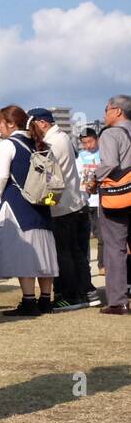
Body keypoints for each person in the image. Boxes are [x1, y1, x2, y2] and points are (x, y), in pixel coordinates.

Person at [0, 107, 58, 316]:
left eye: (0, 123)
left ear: (11, 123)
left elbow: (0, 177)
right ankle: (46, 299)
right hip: (42, 203)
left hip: (17, 204)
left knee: (24, 252)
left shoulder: (7, 145)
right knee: (43, 252)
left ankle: (29, 301)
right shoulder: (39, 143)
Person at [27, 108, 90, 310]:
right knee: (77, 252)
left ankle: (68, 295)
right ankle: (84, 291)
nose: (32, 131)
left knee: (63, 253)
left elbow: (46, 174)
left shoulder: (52, 143)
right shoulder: (64, 137)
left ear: (42, 123)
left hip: (60, 206)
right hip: (75, 202)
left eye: (33, 126)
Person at [94, 95, 131, 315]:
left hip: (118, 196)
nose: (105, 113)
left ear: (117, 111)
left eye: (106, 109)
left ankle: (118, 300)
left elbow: (110, 163)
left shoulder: (111, 134)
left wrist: (93, 178)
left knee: (115, 247)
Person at [78, 126, 104, 279]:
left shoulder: (105, 153)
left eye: (90, 142)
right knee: (84, 236)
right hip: (86, 201)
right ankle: (85, 265)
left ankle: (102, 265)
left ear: (96, 139)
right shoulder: (80, 156)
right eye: (84, 143)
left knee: (102, 236)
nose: (88, 146)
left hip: (101, 200)